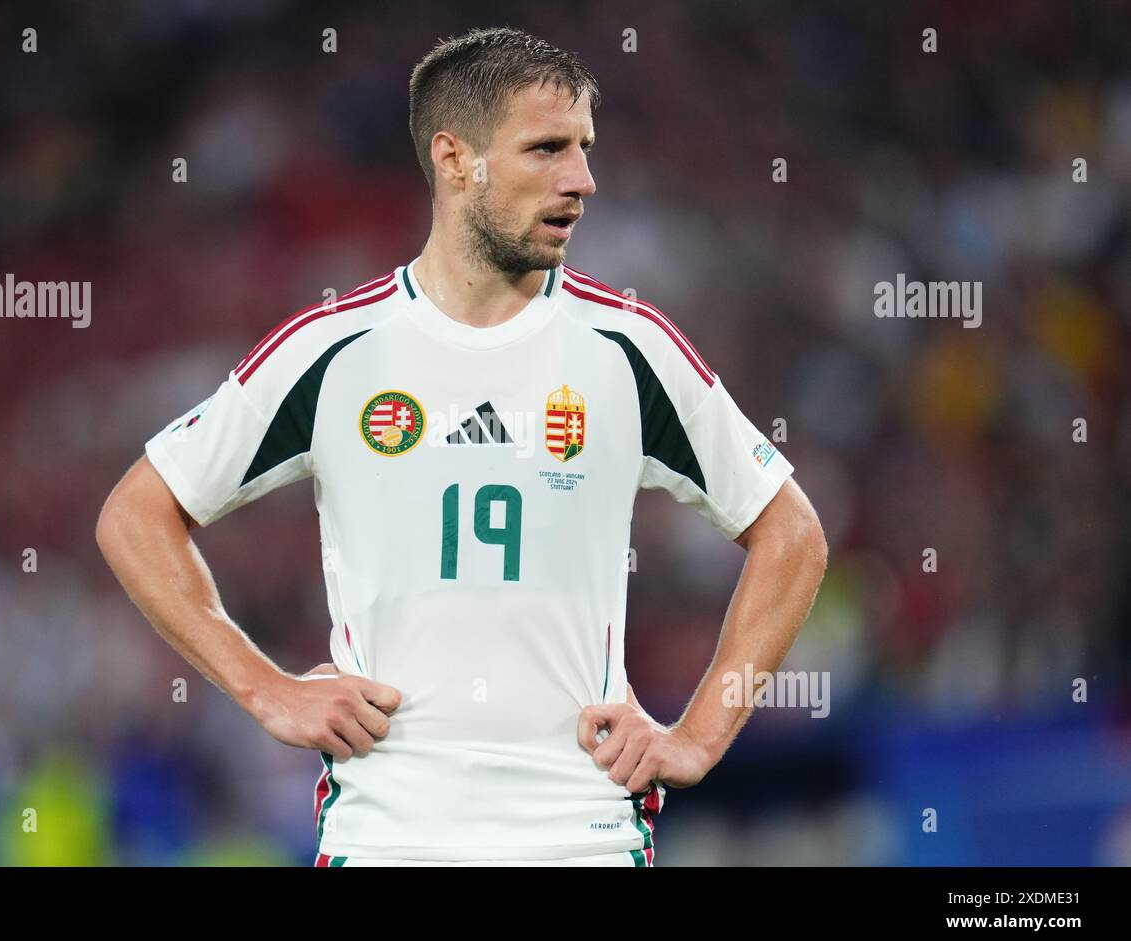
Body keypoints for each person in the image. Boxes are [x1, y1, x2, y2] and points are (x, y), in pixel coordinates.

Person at [96, 26, 828, 867]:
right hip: (386, 837)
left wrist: (698, 736)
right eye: (546, 149)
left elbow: (792, 533)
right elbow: (137, 515)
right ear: (454, 159)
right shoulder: (336, 350)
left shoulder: (629, 349)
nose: (582, 180)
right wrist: (264, 689)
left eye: (585, 149)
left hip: (577, 836)